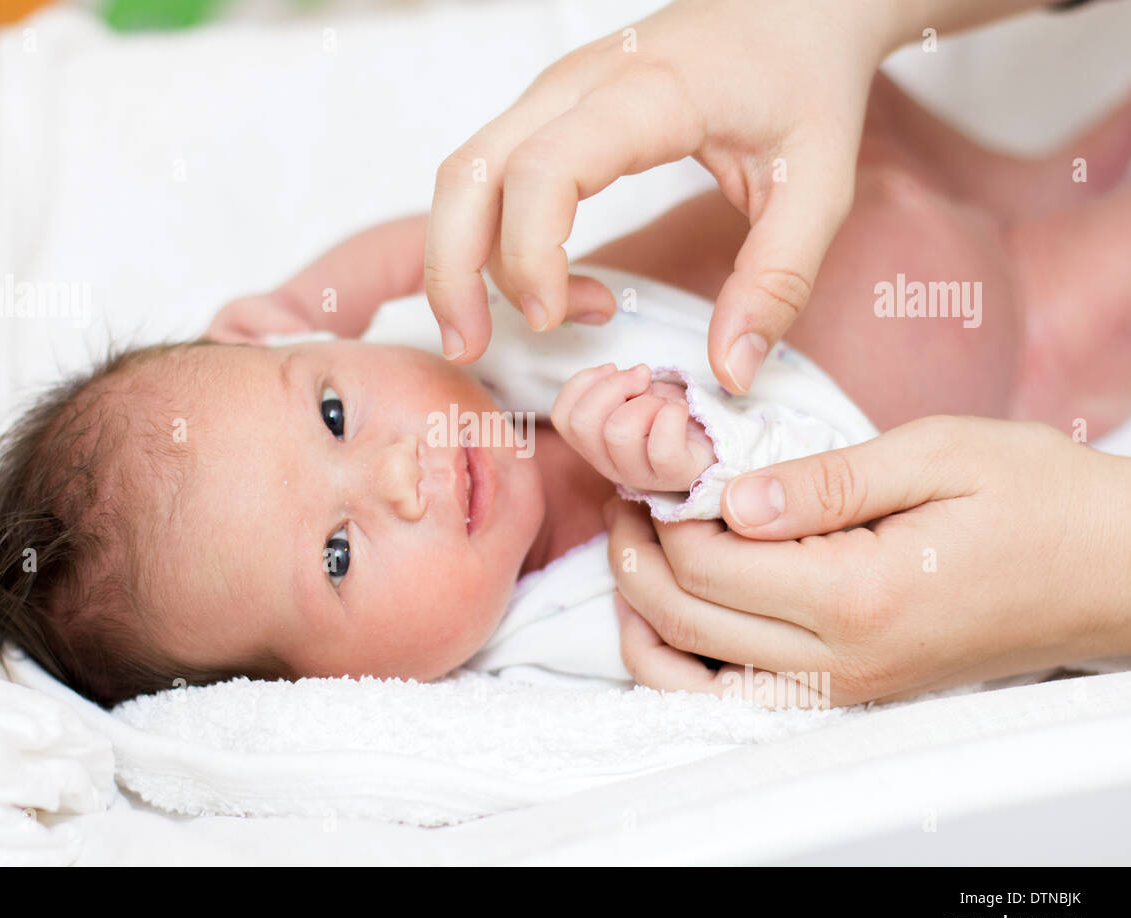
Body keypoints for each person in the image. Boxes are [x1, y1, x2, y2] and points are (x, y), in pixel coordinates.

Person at [418, 0, 1131, 704]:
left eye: (332, 413)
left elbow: (407, 260)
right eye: (338, 556)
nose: (394, 478)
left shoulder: (453, 346)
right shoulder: (554, 633)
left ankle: (1040, 181)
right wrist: (688, 465)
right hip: (1010, 324)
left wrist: (824, 18)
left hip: (834, 168)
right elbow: (749, 604)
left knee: (1047, 167)